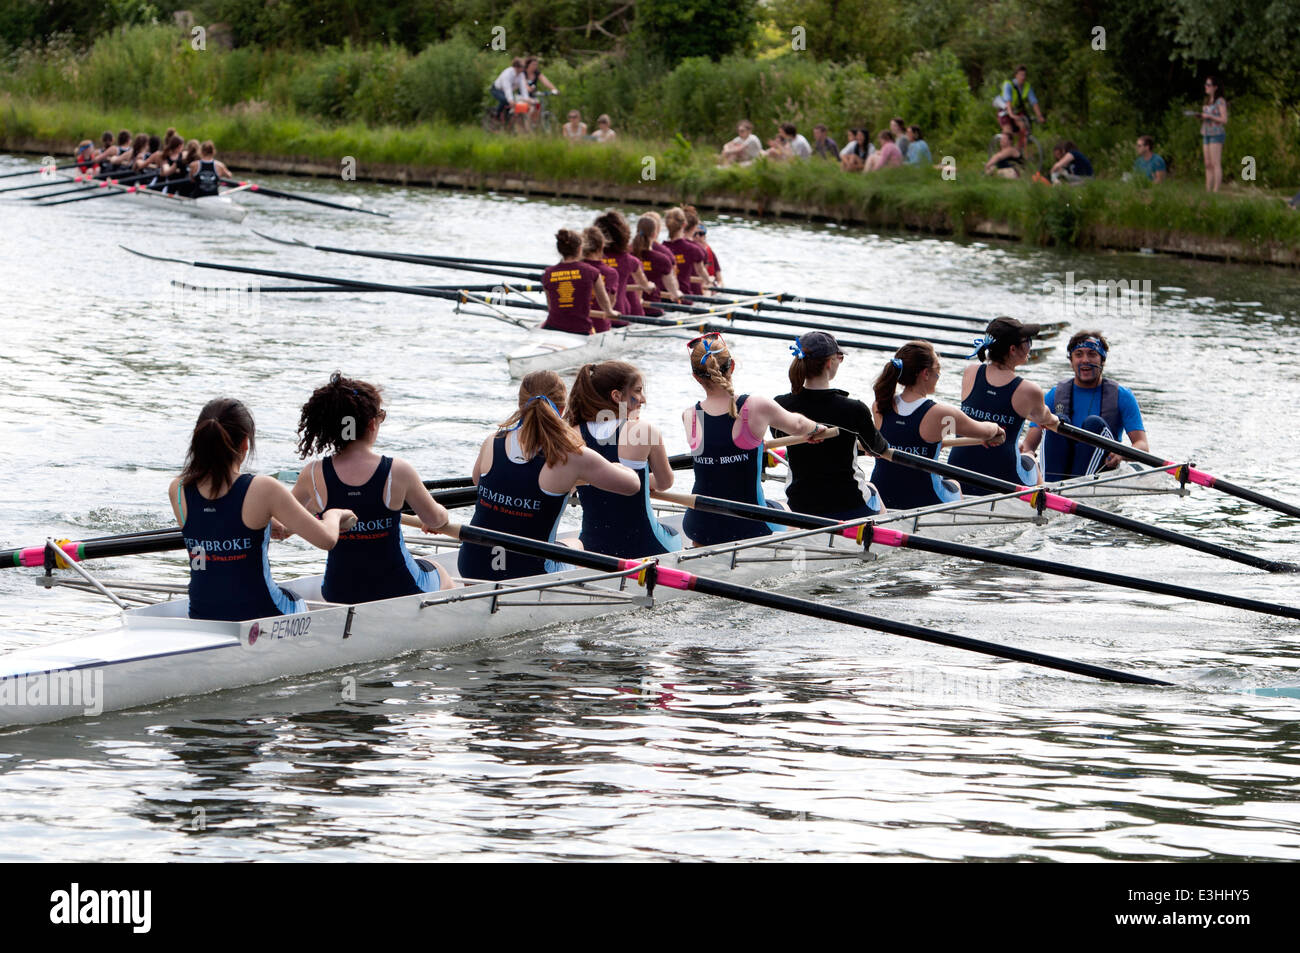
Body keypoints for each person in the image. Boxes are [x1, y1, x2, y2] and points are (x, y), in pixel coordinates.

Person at [168, 398, 354, 622]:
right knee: (298, 600)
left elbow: (212, 527)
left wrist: (264, 521)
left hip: (201, 613)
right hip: (261, 613)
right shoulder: (263, 488)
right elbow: (327, 540)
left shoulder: (178, 489)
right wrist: (334, 514)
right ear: (245, 443)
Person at [457, 371, 640, 582]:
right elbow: (632, 485)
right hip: (531, 573)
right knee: (577, 545)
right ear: (562, 409)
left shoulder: (493, 440)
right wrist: (614, 466)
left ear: (520, 405)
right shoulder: (571, 456)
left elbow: (478, 481)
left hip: (470, 565)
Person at [292, 374, 455, 604]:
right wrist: (441, 513)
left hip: (339, 592)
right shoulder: (398, 470)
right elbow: (435, 519)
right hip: (400, 587)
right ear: (372, 423)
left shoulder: (312, 474)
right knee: (439, 570)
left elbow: (285, 525)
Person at [681, 333, 827, 545]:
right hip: (751, 524)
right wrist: (816, 428)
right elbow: (797, 426)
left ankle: (700, 548)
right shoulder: (755, 405)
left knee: (711, 518)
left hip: (698, 526)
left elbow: (720, 447)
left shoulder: (689, 415)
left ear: (696, 377)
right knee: (786, 509)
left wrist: (755, 445)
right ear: (731, 367)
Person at [869, 341, 1005, 511]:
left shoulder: (879, 405)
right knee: (953, 483)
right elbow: (983, 430)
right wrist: (996, 430)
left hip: (883, 496)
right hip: (924, 500)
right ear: (925, 374)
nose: (938, 377)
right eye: (938, 372)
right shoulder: (940, 414)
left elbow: (903, 436)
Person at [566, 362, 681, 557]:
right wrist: (643, 480)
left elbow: (568, 487)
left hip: (593, 548)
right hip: (645, 546)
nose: (643, 399)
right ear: (616, 396)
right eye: (638, 391)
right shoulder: (643, 430)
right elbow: (665, 482)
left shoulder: (572, 434)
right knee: (677, 535)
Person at [773, 332, 890, 521]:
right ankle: (881, 535)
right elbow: (878, 449)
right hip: (849, 505)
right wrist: (862, 447)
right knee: (873, 488)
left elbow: (781, 438)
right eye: (840, 357)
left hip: (799, 505)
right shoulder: (854, 409)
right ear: (829, 362)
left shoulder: (781, 405)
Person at [947, 317, 1059, 494]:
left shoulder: (970, 372)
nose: (1030, 346)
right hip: (1004, 478)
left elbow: (989, 405)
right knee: (1030, 458)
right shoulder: (1029, 390)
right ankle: (1042, 504)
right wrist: (1055, 420)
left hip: (956, 470)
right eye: (1028, 341)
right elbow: (1044, 418)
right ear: (1013, 350)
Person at [1020, 331, 1149, 482]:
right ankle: (1049, 486)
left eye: (1092, 354)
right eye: (1079, 354)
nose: (1085, 360)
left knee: (1094, 423)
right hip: (1058, 470)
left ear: (1102, 360)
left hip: (1101, 472)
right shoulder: (1054, 395)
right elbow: (1029, 445)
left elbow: (1142, 445)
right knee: (1057, 420)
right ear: (1071, 361)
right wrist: (1023, 455)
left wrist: (1121, 454)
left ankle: (1074, 485)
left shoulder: (1122, 395)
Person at [540, 228, 617, 335]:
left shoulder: (547, 273)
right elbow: (603, 300)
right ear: (580, 248)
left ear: (560, 250)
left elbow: (551, 306)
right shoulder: (592, 272)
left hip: (552, 327)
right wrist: (609, 312)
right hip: (581, 329)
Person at [595, 209, 654, 318]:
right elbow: (646, 287)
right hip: (619, 316)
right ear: (623, 235)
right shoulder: (630, 261)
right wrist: (651, 286)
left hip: (594, 317)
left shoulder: (587, 261)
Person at [631, 212, 682, 308]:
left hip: (630, 309)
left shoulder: (628, 256)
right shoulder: (662, 259)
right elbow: (673, 292)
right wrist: (677, 294)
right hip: (654, 309)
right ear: (655, 234)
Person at [580, 226, 621, 332]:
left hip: (572, 325)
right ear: (602, 246)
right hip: (599, 326)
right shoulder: (611, 273)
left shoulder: (574, 268)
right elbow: (610, 305)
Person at [663, 207, 710, 299]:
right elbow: (701, 271)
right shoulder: (694, 249)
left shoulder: (661, 249)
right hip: (684, 297)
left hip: (664, 298)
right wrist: (709, 280)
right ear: (684, 224)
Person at [999, 65, 1045, 147]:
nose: (1023, 77)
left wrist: (1039, 116)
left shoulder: (1027, 86)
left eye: (1024, 75)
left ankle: (1018, 152)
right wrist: (1011, 114)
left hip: (1017, 110)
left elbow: (1034, 102)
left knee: (1024, 127)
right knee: (1008, 134)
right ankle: (1002, 156)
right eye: (1021, 75)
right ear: (1016, 75)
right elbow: (1008, 101)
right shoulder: (1008, 84)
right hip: (1005, 110)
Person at [1199, 76, 1227, 193]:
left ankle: (1216, 190)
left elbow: (1224, 119)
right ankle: (1207, 189)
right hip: (1206, 132)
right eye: (1206, 84)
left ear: (1215, 87)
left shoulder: (1220, 101)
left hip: (1216, 133)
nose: (1206, 87)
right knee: (1207, 162)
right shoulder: (1207, 101)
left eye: (1208, 85)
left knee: (1216, 162)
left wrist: (1210, 116)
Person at [490, 58, 529, 122]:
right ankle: (497, 115)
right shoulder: (508, 73)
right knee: (505, 100)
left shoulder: (521, 75)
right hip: (497, 89)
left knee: (513, 104)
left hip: (507, 91)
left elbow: (523, 88)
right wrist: (510, 100)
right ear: (516, 67)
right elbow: (507, 88)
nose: (524, 69)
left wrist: (526, 99)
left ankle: (506, 119)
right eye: (522, 67)